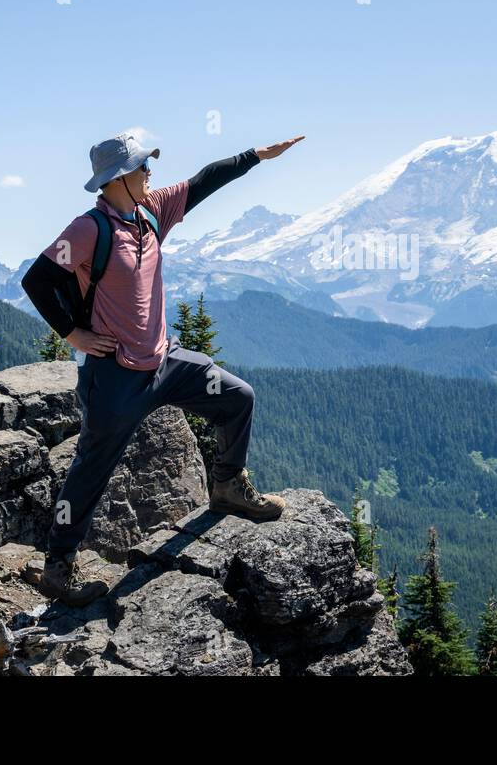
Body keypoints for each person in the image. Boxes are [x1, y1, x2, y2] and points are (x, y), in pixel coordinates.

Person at [21, 130, 305, 606]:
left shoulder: (151, 213)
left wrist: (256, 155)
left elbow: (205, 180)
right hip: (114, 376)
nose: (150, 173)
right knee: (91, 469)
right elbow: (38, 279)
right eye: (141, 167)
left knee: (237, 397)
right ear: (116, 179)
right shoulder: (89, 229)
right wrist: (72, 334)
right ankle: (58, 568)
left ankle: (227, 487)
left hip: (165, 362)